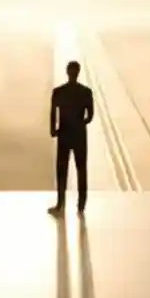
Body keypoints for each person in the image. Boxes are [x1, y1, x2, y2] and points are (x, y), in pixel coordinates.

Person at [49, 60, 94, 216]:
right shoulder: (86, 92)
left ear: (68, 72)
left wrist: (53, 129)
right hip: (79, 134)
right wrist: (80, 123)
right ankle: (81, 204)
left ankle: (60, 203)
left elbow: (53, 112)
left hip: (65, 133)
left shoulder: (59, 91)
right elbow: (90, 116)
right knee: (81, 169)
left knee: (62, 169)